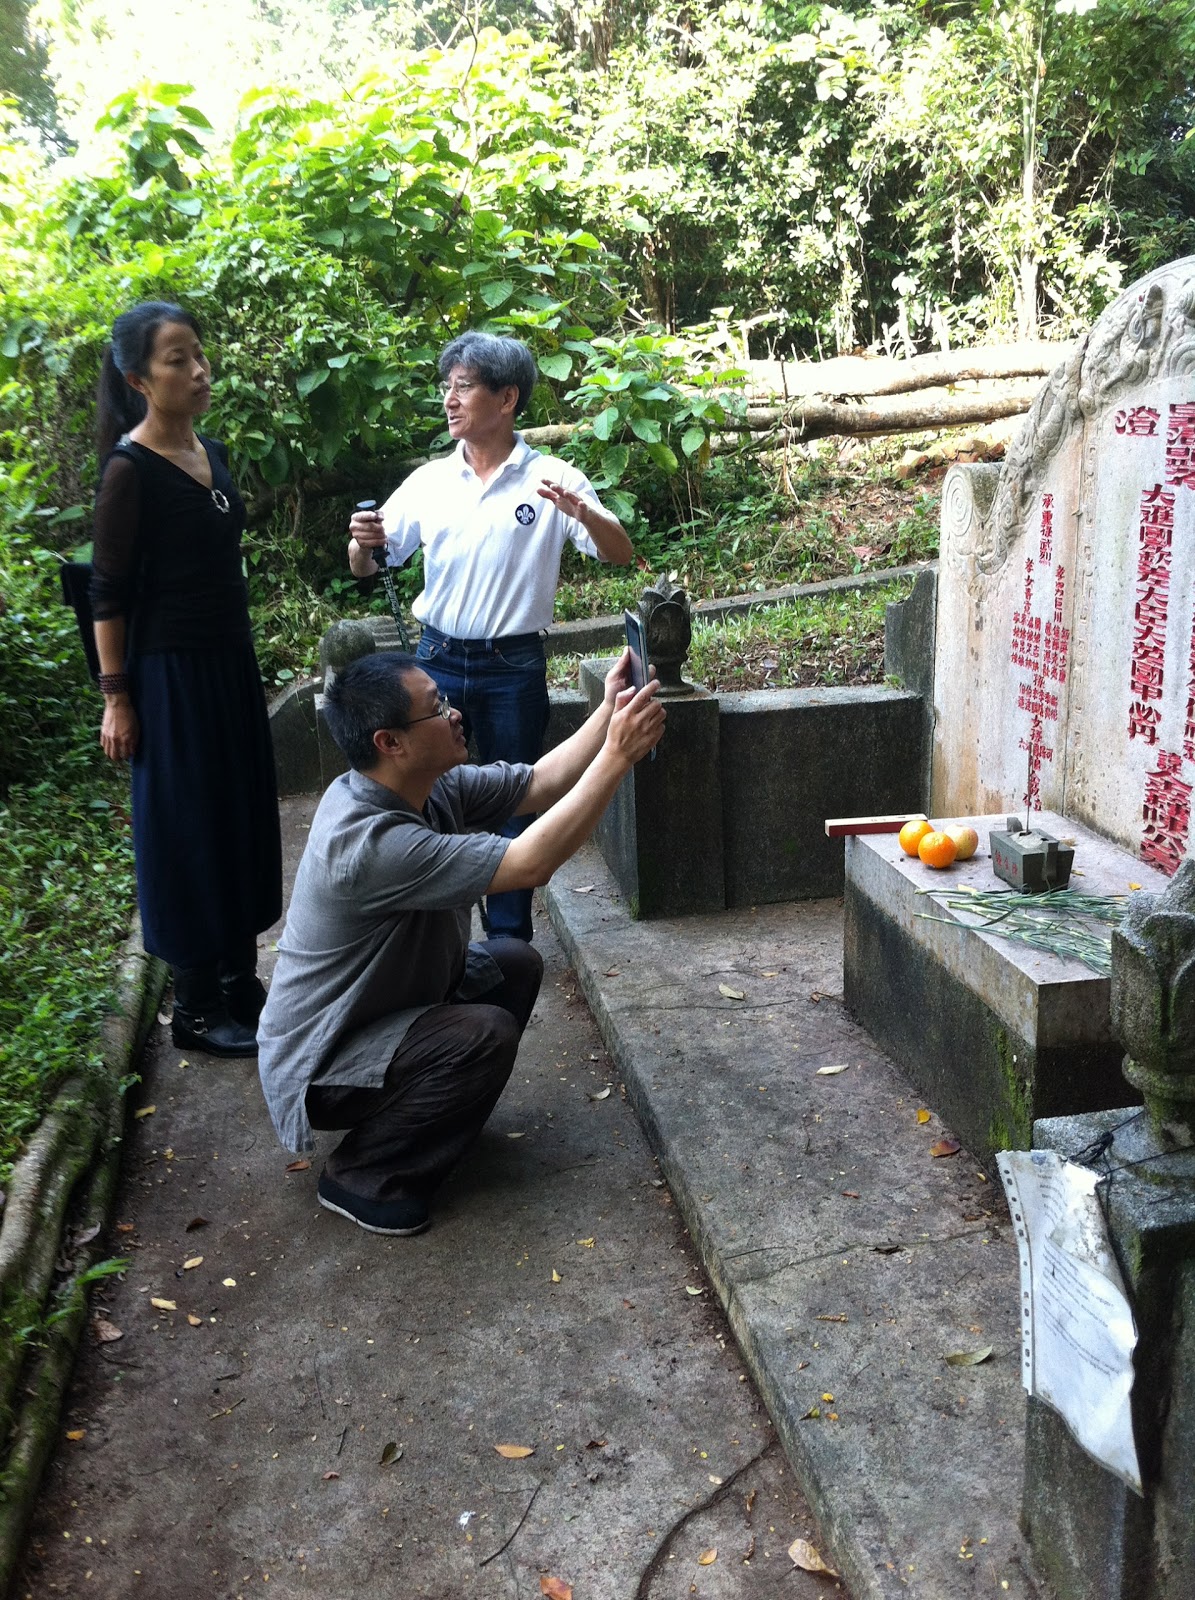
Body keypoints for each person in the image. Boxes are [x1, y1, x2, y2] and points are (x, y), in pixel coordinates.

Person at [257, 647, 663, 1235]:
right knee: (481, 1035)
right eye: (435, 708)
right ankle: (363, 1174)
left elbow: (537, 783)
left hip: (386, 1011)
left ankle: (429, 1118)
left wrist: (607, 714)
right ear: (389, 742)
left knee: (513, 965)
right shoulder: (367, 842)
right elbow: (529, 862)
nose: (453, 714)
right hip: (325, 1061)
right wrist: (618, 757)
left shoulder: (427, 785)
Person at [347, 330, 634, 944]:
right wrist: (360, 542)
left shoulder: (552, 477)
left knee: (513, 802)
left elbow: (620, 553)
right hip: (435, 663)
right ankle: (428, 935)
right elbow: (370, 565)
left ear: (507, 399)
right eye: (446, 386)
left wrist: (586, 514)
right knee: (420, 799)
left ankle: (508, 944)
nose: (450, 399)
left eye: (464, 387)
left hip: (513, 667)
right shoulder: (428, 480)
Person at [92, 301, 282, 1057]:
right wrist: (117, 698)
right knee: (188, 830)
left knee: (238, 817)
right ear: (139, 378)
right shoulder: (129, 471)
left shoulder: (214, 453)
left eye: (199, 353)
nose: (198, 370)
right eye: (177, 359)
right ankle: (198, 1009)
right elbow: (109, 593)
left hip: (229, 666)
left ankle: (242, 984)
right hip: (169, 678)